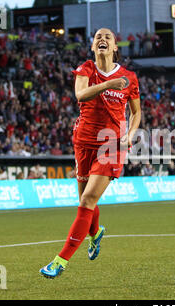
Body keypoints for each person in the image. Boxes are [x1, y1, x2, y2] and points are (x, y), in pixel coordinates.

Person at [40, 28, 141, 279]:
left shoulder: (129, 78)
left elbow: (136, 112)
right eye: (98, 38)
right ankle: (95, 234)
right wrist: (108, 84)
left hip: (111, 145)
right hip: (83, 142)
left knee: (86, 202)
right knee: (85, 199)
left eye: (108, 37)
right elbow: (80, 95)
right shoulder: (85, 69)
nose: (102, 40)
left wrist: (131, 133)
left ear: (115, 47)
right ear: (93, 47)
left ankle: (59, 261)